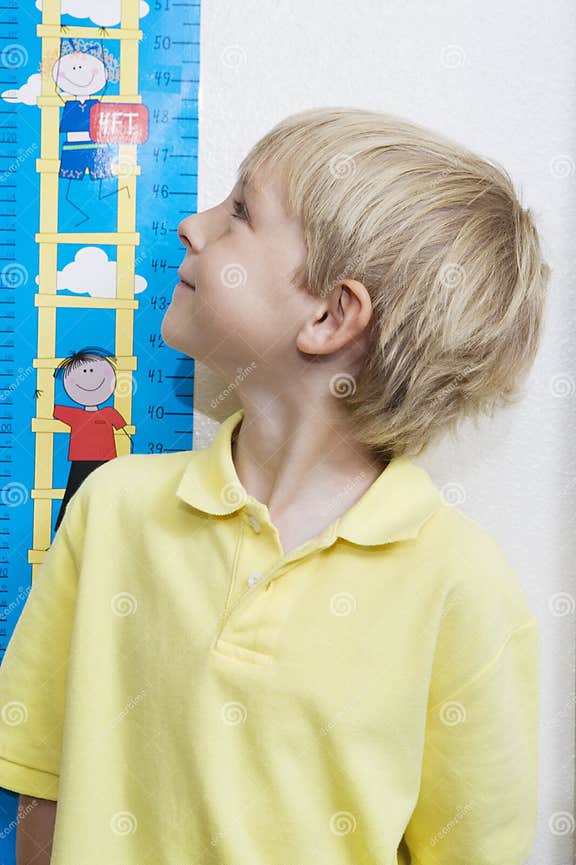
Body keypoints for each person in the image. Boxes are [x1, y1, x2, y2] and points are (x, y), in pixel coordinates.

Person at [0, 107, 550, 865]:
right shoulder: (114, 509)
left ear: (331, 315)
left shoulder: (463, 587)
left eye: (239, 211)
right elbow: (38, 769)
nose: (192, 226)